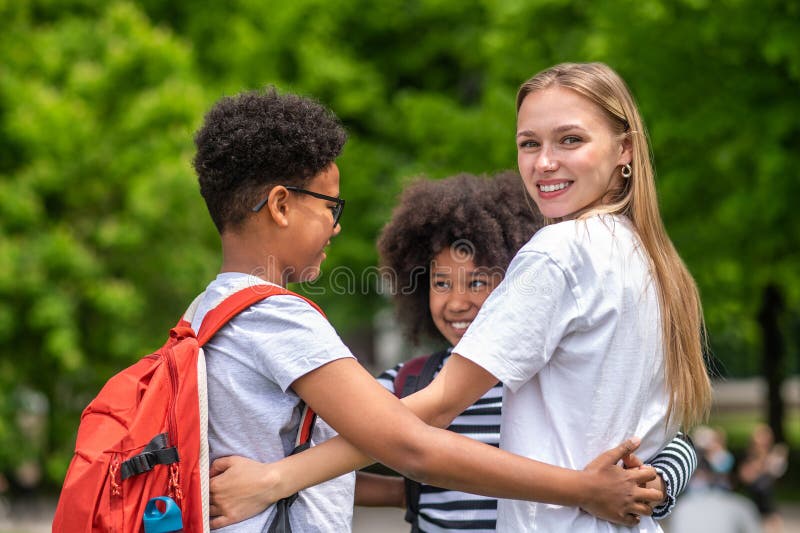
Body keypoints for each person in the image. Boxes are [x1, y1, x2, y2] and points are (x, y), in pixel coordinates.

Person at [207, 62, 711, 532]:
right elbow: (668, 439)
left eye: (571, 139)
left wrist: (275, 480)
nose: (545, 162)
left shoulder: (560, 251)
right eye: (529, 144)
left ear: (625, 148)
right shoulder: (649, 260)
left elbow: (436, 410)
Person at [354, 171, 698, 532]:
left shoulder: (551, 382)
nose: (457, 302)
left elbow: (675, 441)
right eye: (441, 283)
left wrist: (658, 482)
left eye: (478, 282)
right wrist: (410, 492)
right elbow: (327, 450)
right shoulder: (409, 382)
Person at [738, 424, 789, 533]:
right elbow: (745, 476)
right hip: (752, 499)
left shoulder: (772, 455)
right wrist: (761, 465)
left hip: (768, 500)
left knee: (773, 524)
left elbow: (777, 472)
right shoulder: (748, 456)